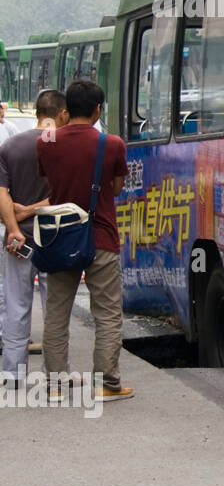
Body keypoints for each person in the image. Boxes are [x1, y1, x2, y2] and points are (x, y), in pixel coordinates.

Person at [35, 79, 131, 402]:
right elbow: (116, 189)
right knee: (106, 313)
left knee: (57, 312)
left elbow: (50, 181)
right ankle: (107, 383)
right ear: (97, 110)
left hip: (61, 238)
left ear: (66, 110)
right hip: (101, 236)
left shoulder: (46, 141)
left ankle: (56, 385)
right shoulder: (112, 144)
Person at [0, 89, 67, 382]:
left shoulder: (10, 145)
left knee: (15, 305)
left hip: (18, 242)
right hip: (55, 238)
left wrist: (14, 227)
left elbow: (1, 192)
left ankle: (13, 372)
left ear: (37, 112)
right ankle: (53, 373)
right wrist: (30, 211)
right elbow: (63, 195)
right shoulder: (60, 145)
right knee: (55, 307)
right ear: (61, 113)